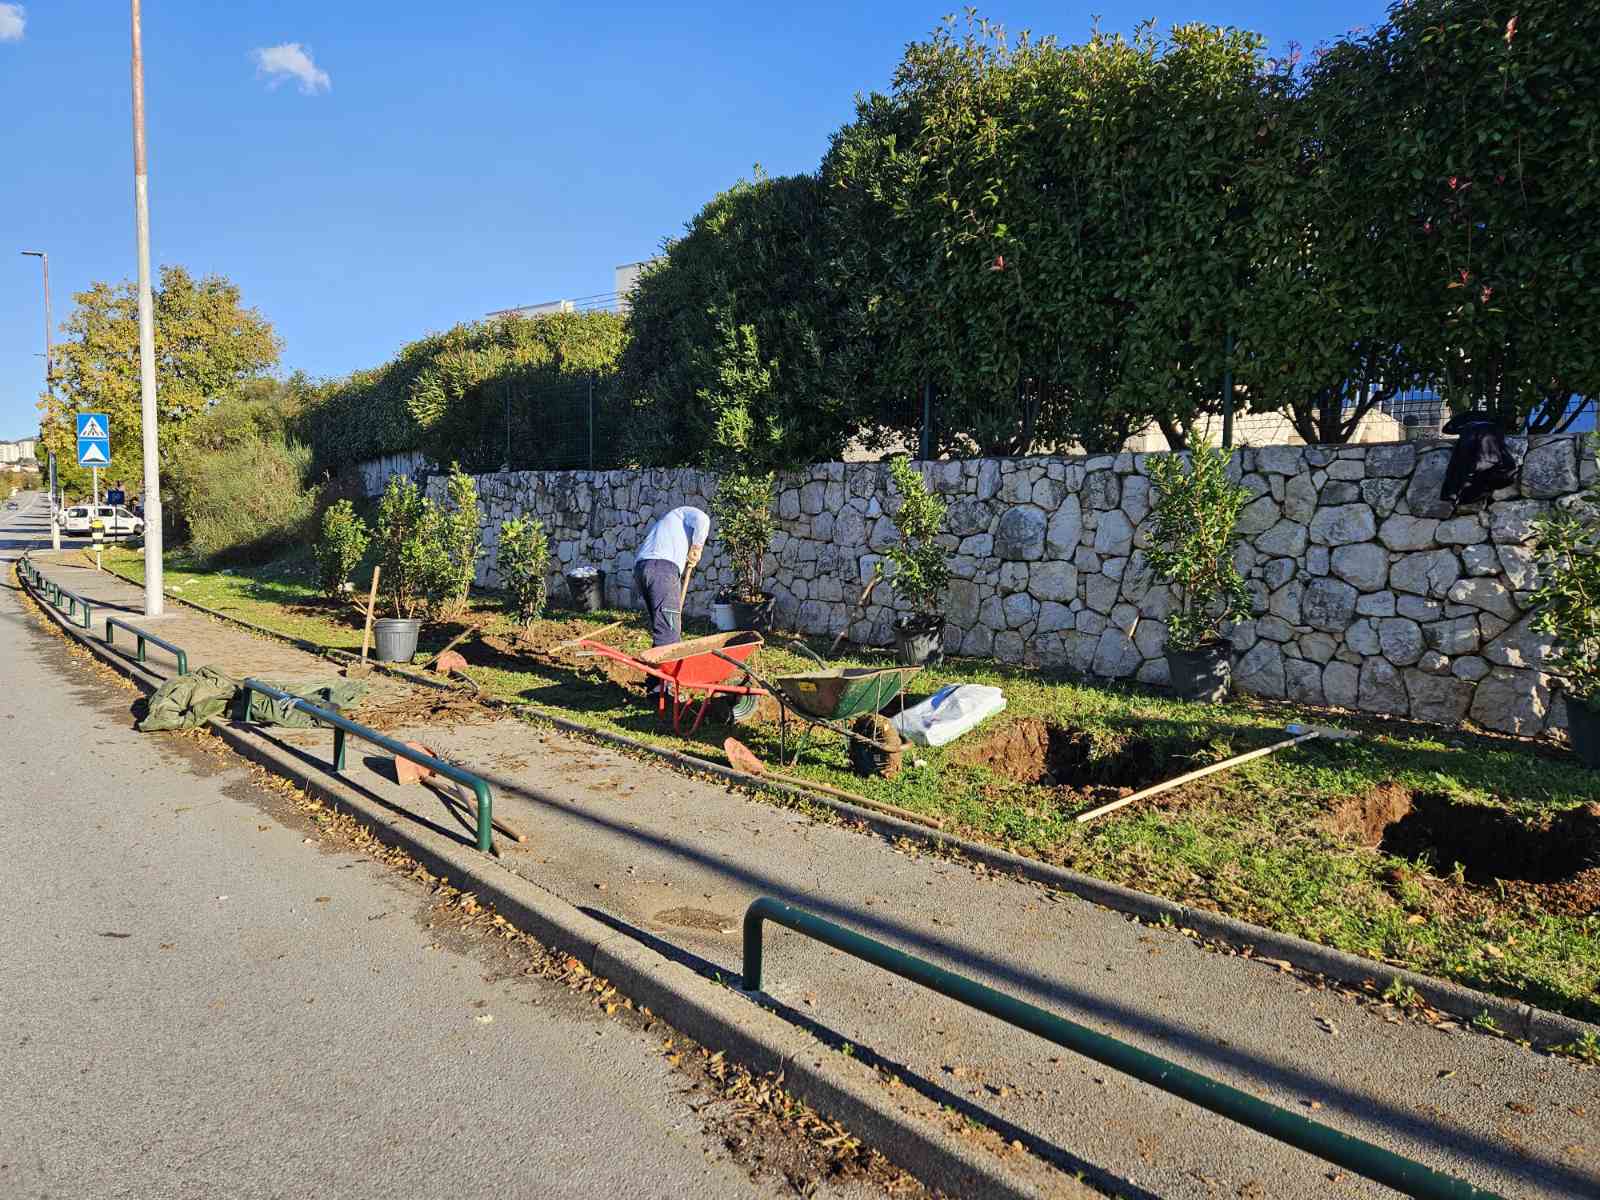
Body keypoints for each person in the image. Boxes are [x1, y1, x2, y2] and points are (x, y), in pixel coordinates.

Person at [633, 505, 711, 660]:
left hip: (642, 569)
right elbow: (703, 519)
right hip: (662, 570)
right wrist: (697, 546)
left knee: (662, 626)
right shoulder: (682, 513)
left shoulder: (667, 526)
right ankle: (664, 682)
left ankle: (655, 679)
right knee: (669, 630)